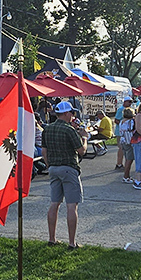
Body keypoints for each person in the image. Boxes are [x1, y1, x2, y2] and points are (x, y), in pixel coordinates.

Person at [41, 101, 88, 249]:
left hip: (53, 168)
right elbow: (81, 151)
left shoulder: (47, 129)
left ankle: (52, 239)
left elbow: (44, 151)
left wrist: (49, 165)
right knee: (71, 205)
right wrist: (84, 138)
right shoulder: (69, 130)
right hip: (69, 168)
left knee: (54, 203)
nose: (73, 116)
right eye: (72, 113)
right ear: (66, 113)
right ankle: (72, 242)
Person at [113, 96, 133, 169]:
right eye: (129, 102)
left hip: (126, 133)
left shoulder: (129, 109)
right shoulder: (121, 109)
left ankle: (123, 163)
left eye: (131, 102)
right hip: (120, 132)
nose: (130, 103)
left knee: (125, 149)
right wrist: (124, 125)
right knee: (121, 148)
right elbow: (116, 120)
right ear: (125, 102)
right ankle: (119, 163)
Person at [119, 107, 136, 183]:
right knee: (129, 160)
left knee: (127, 159)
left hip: (123, 140)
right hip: (129, 141)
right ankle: (126, 176)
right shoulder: (131, 122)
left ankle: (127, 176)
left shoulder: (122, 121)